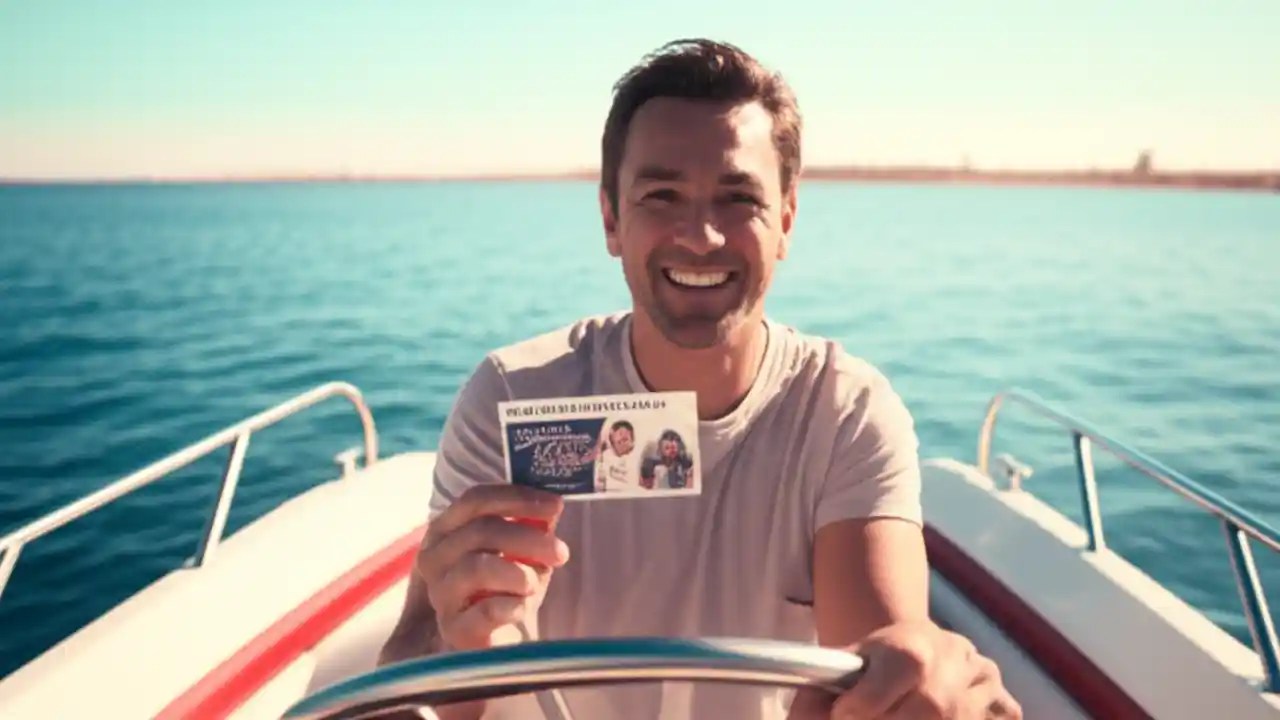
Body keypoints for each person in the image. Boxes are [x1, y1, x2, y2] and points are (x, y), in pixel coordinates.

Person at [379, 38, 1021, 720]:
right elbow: (413, 676)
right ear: (610, 219)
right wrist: (453, 637)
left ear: (787, 221)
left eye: (738, 198)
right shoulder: (513, 395)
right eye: (661, 195)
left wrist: (918, 679)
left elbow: (878, 650)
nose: (701, 236)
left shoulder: (845, 413)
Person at [595, 420, 643, 492]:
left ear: (632, 440)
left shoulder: (636, 457)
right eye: (620, 434)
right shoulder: (605, 456)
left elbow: (632, 486)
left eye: (626, 439)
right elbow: (600, 485)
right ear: (612, 439)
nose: (622, 440)